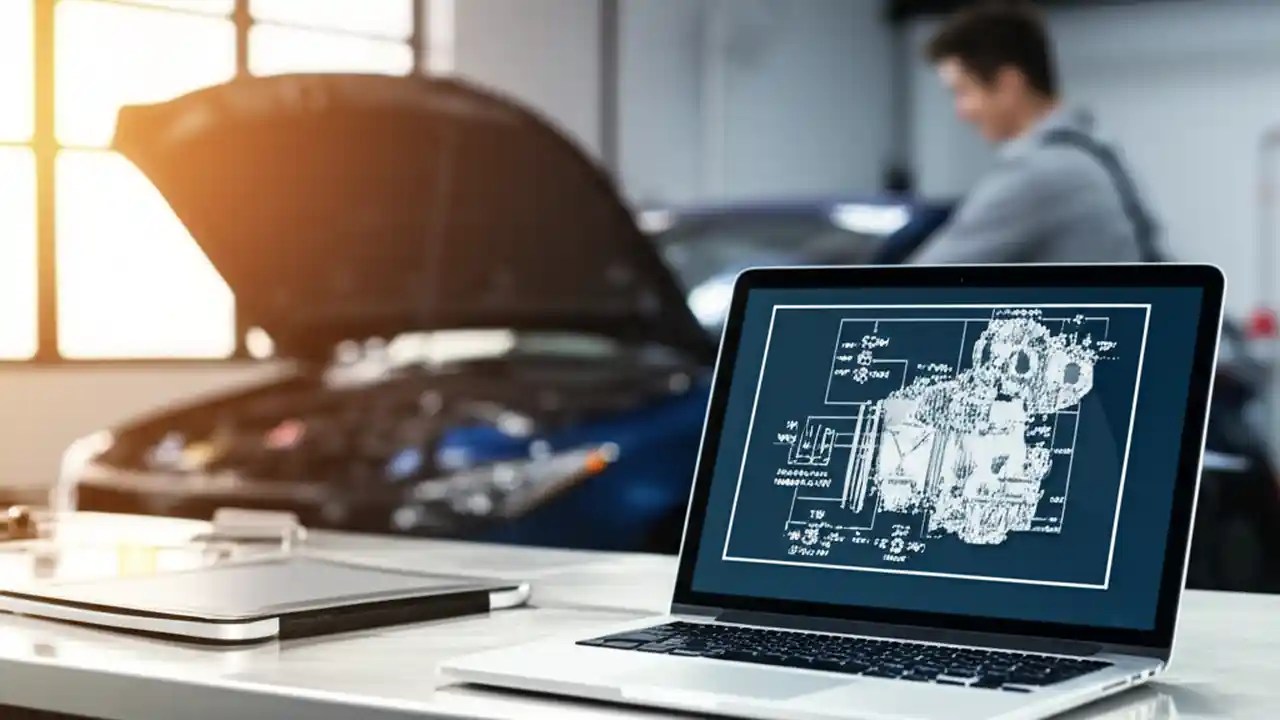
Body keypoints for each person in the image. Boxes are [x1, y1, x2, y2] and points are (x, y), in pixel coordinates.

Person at [909, 1, 1159, 265]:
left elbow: (918, 284)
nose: (961, 112)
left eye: (962, 92)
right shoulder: (1090, 148)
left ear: (1008, 84)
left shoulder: (1041, 173)